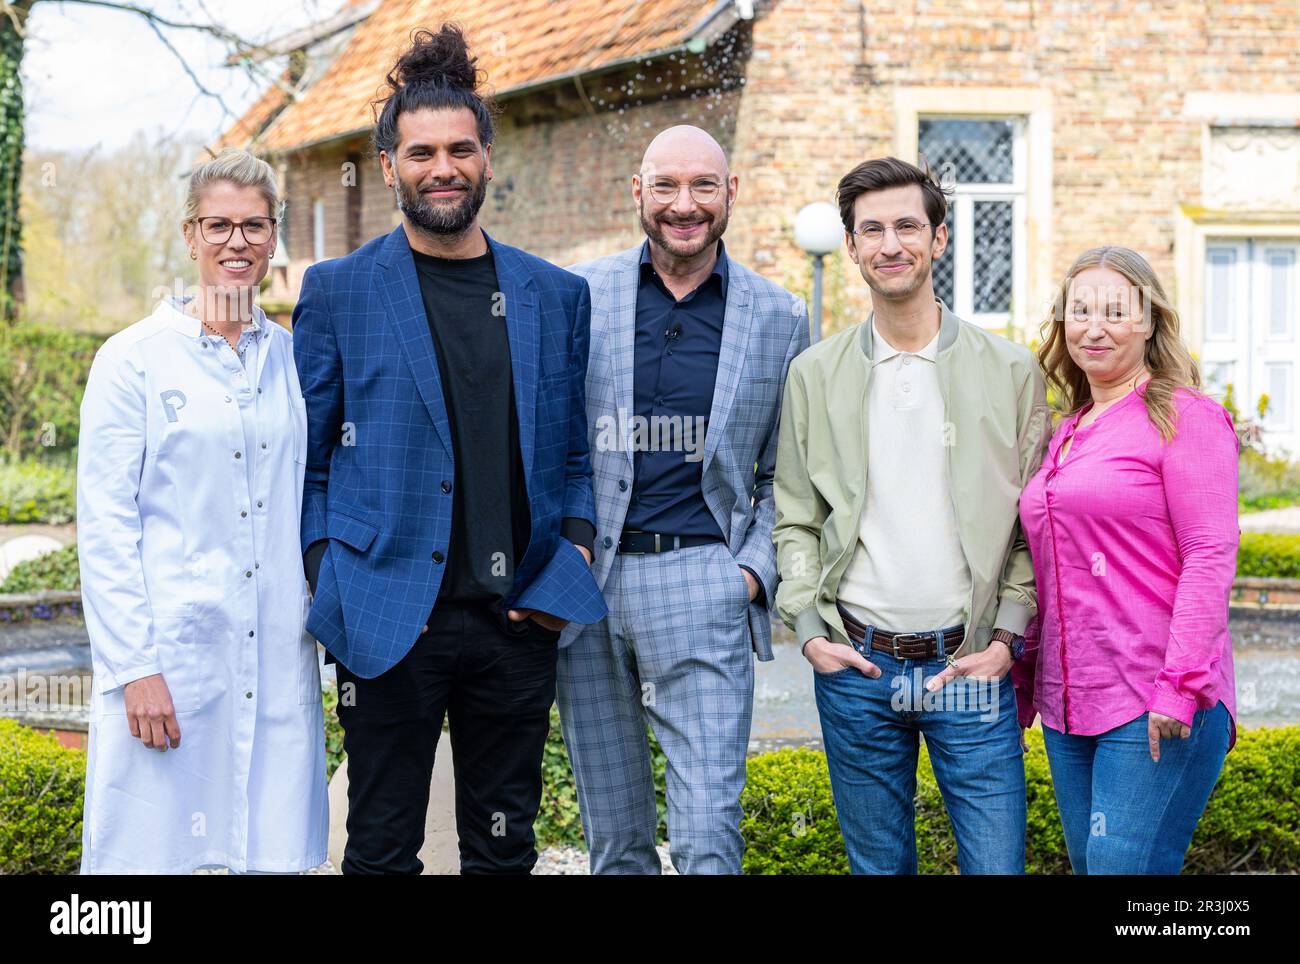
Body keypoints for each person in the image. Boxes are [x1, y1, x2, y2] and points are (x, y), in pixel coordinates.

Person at [292, 25, 605, 875]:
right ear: (389, 166)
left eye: (461, 149)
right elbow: (309, 458)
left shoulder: (555, 295)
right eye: (421, 151)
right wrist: (330, 570)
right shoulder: (338, 291)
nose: (444, 167)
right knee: (381, 849)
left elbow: (573, 452)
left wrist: (569, 559)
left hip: (517, 621)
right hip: (385, 618)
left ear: (487, 158)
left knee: (504, 854)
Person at [773, 156, 1049, 874]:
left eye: (906, 226)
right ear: (852, 245)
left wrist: (1007, 639)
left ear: (939, 238)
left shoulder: (1011, 371)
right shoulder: (815, 374)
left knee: (996, 865)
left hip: (969, 666)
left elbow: (1029, 523)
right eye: (872, 230)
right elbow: (796, 516)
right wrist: (808, 631)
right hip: (857, 666)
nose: (890, 244)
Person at [556, 126, 808, 875]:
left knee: (706, 836)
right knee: (615, 839)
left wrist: (750, 574)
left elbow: (785, 472)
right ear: (638, 193)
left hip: (703, 580)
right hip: (587, 585)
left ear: (731, 194)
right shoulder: (580, 295)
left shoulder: (778, 317)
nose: (683, 204)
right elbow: (545, 442)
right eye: (665, 185)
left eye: (703, 185)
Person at [77, 147, 327, 874]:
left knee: (268, 848)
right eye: (218, 225)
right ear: (189, 236)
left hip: (276, 652)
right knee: (152, 858)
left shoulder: (293, 358)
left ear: (274, 236)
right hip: (174, 658)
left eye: (254, 226)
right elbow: (105, 523)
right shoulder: (134, 361)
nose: (236, 243)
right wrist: (134, 666)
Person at [1014, 246, 1238, 874]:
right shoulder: (1068, 430)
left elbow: (1210, 554)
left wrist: (1179, 687)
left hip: (1155, 694)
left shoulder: (1186, 417)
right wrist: (1026, 673)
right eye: (1079, 310)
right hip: (1071, 698)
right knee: (1094, 865)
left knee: (1123, 870)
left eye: (1116, 310)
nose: (1095, 326)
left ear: (1150, 321)